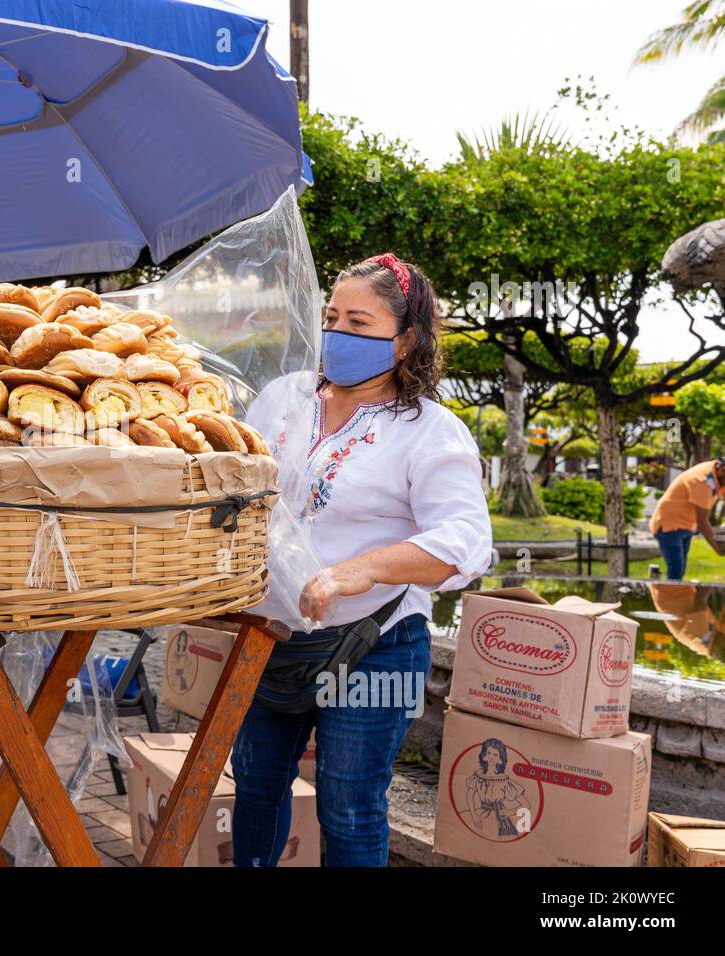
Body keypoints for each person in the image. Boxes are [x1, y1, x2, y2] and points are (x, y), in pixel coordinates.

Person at [233, 253, 493, 867]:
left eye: (358, 323)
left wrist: (360, 570)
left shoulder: (430, 430)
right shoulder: (282, 398)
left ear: (404, 342)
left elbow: (465, 540)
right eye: (330, 317)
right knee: (255, 787)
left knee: (348, 807)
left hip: (374, 641)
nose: (336, 335)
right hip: (272, 634)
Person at [649, 458, 725, 580]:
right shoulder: (702, 480)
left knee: (680, 570)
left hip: (686, 525)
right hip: (668, 524)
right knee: (676, 571)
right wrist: (718, 549)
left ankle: (670, 594)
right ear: (722, 470)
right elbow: (702, 521)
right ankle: (667, 595)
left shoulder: (717, 474)